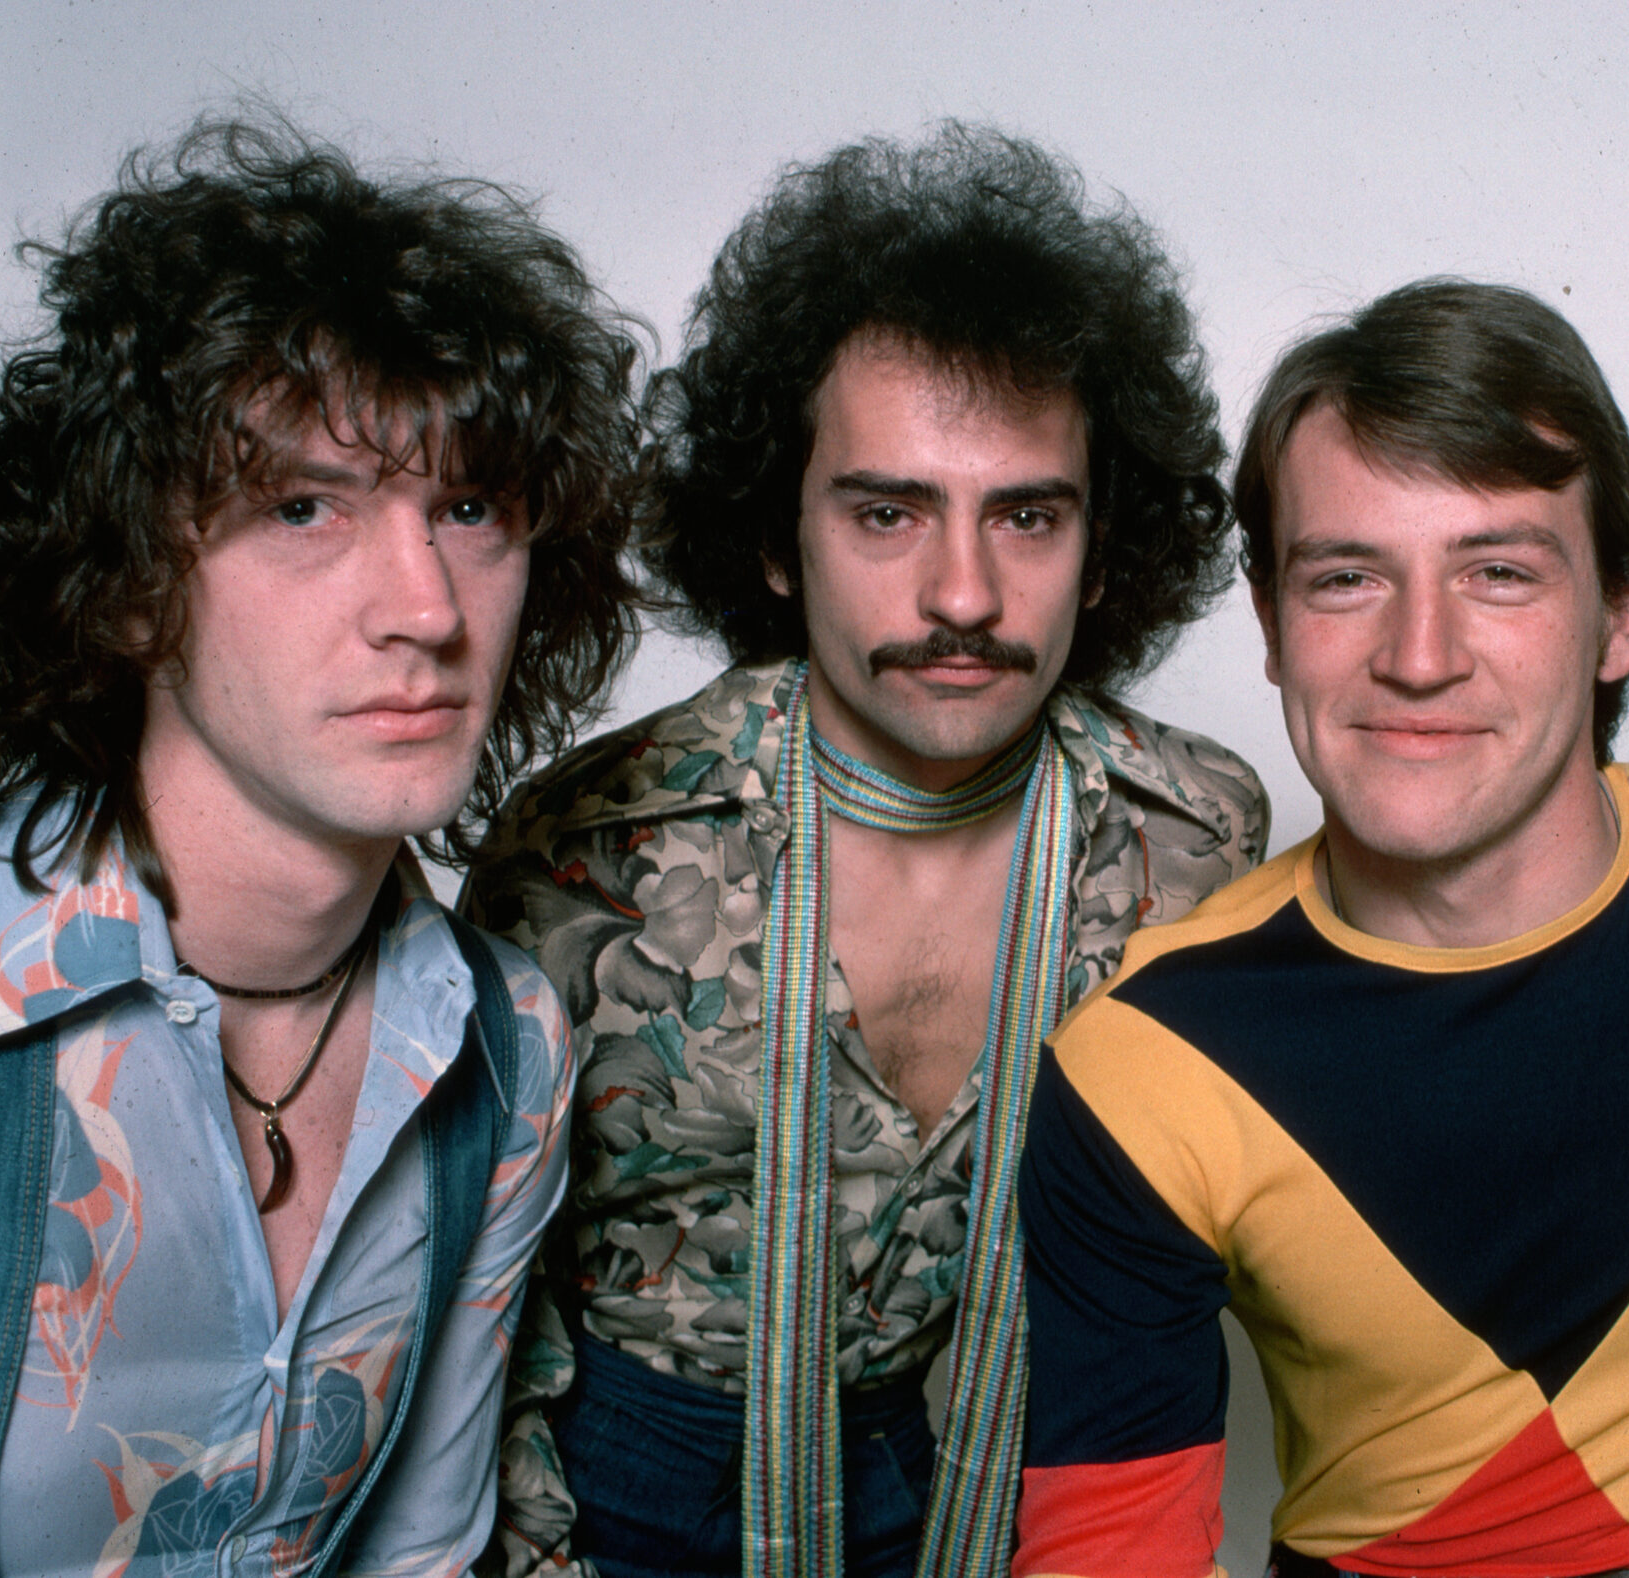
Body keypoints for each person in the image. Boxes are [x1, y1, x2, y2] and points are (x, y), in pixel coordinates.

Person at [1011, 279, 1629, 1578]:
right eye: (1347, 578)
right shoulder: (1140, 1065)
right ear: (1271, 624)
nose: (1420, 654)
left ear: (1620, 612)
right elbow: (1109, 1556)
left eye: (1497, 572)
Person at [464, 125, 1268, 1578]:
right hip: (617, 1486)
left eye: (1028, 515)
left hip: (955, 1478)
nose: (962, 591)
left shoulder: (1192, 840)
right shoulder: (589, 851)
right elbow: (471, 1307)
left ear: (1102, 547)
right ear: (778, 538)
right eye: (887, 512)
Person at [0, 118, 641, 1574]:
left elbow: (420, 1554)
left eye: (469, 508)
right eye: (301, 508)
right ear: (129, 579)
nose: (426, 608)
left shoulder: (505, 1046)